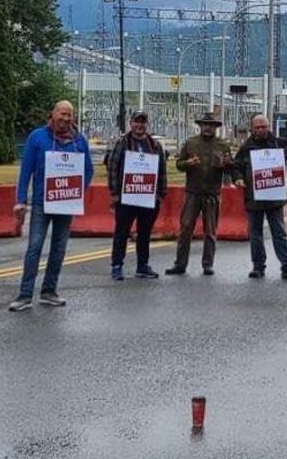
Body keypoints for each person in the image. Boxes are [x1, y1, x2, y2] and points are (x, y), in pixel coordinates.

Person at [9, 100, 94, 312]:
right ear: (53, 113)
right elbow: (26, 170)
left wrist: (77, 191)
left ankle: (49, 291)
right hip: (41, 202)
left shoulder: (79, 141)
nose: (65, 118)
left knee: (59, 248)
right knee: (34, 247)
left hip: (66, 202)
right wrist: (21, 200)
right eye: (62, 113)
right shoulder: (37, 137)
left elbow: (88, 170)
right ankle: (25, 295)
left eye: (69, 115)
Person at [233, 115, 287, 281]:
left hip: (274, 199)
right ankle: (258, 266)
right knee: (255, 235)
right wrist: (238, 178)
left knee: (279, 234)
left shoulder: (279, 144)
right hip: (253, 199)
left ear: (269, 127)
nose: (261, 130)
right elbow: (236, 167)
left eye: (263, 127)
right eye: (257, 127)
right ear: (252, 129)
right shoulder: (245, 148)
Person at [165, 112, 241, 276]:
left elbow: (231, 168)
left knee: (210, 231)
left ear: (215, 128)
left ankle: (208, 264)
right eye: (205, 124)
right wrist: (188, 163)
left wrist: (226, 165)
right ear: (200, 126)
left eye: (211, 125)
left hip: (212, 193)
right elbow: (178, 165)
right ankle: (180, 264)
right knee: (186, 228)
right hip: (192, 192)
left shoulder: (222, 145)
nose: (208, 128)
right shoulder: (191, 143)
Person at [106, 109, 168, 280]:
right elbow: (112, 167)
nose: (139, 125)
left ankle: (142, 265)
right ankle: (117, 265)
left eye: (143, 122)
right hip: (125, 197)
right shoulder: (122, 143)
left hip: (148, 197)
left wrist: (161, 193)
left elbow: (162, 169)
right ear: (131, 123)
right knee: (122, 232)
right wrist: (114, 192)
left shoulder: (155, 146)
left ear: (147, 125)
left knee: (144, 233)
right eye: (136, 122)